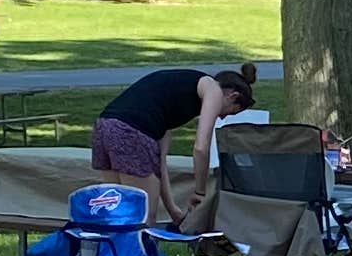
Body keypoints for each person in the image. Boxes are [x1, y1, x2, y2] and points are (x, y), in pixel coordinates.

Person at [89, 63, 255, 193]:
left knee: (117, 209)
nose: (221, 117)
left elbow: (160, 162)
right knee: (144, 217)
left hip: (104, 127)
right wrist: (200, 191)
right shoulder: (213, 88)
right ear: (233, 96)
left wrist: (173, 209)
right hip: (130, 132)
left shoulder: (170, 103)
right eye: (229, 112)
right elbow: (201, 148)